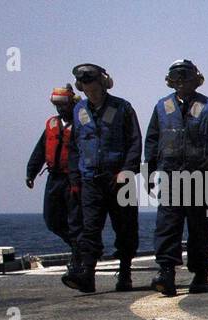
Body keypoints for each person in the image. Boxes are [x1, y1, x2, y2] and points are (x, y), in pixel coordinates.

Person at [145, 60, 208, 296]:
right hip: (170, 175)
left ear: (196, 80)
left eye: (186, 78)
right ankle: (166, 272)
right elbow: (152, 140)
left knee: (198, 227)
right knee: (167, 225)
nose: (182, 83)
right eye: (177, 79)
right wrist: (149, 172)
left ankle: (201, 273)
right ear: (171, 81)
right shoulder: (162, 108)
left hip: (200, 175)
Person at [63, 63, 142, 293]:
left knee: (125, 228)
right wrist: (75, 178)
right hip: (90, 180)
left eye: (93, 84)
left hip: (119, 179)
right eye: (86, 86)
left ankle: (125, 273)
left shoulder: (122, 108)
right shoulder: (79, 112)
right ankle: (87, 274)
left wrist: (126, 171)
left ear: (103, 83)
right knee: (90, 230)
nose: (90, 90)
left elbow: (134, 142)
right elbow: (75, 147)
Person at [25, 85, 82, 275]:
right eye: (56, 104)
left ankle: (78, 255)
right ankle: (78, 247)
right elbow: (40, 150)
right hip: (54, 178)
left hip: (74, 178)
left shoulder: (82, 123)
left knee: (75, 221)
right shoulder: (51, 125)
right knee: (52, 220)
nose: (59, 108)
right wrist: (31, 172)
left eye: (63, 103)